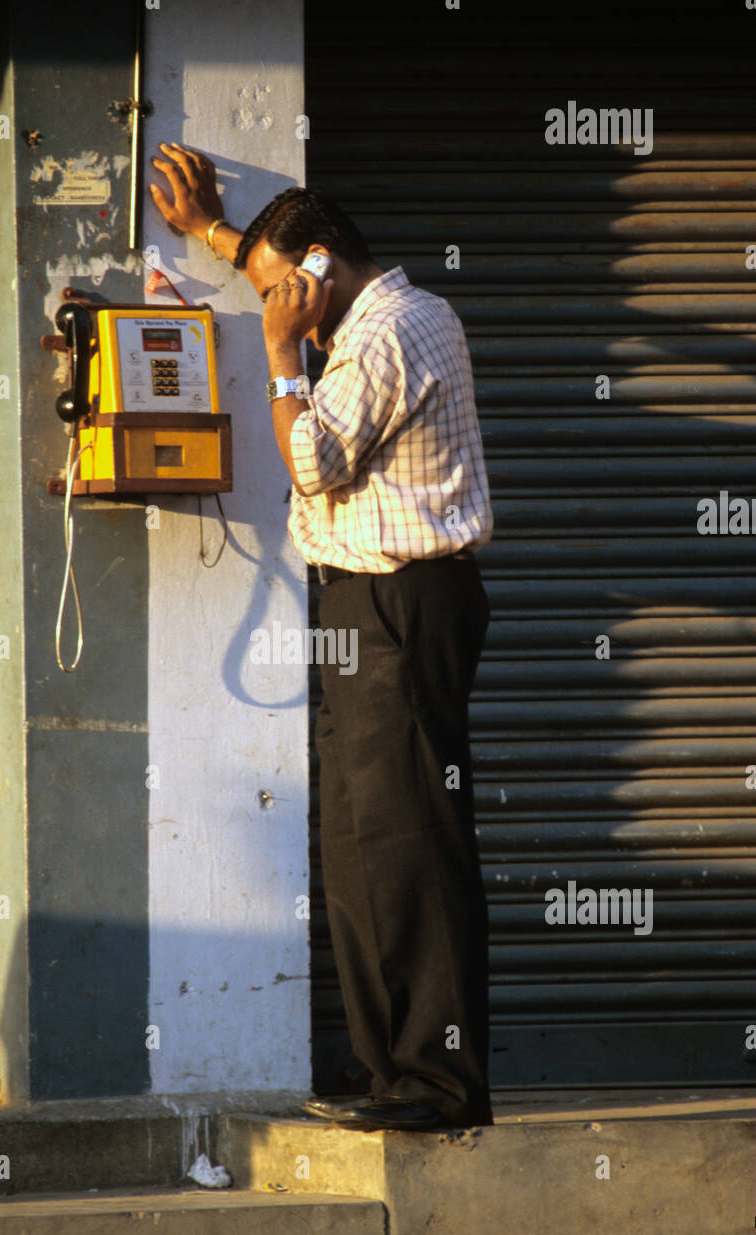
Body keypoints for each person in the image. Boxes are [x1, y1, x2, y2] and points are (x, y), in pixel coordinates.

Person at [150, 142, 494, 1131]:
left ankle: (442, 1083)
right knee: (358, 847)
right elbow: (276, 263)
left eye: (275, 291)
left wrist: (278, 352)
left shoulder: (396, 329)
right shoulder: (349, 314)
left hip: (406, 604)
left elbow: (316, 461)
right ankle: (391, 1075)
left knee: (416, 841)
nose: (269, 308)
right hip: (358, 607)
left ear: (321, 270)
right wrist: (213, 232)